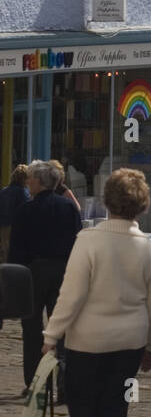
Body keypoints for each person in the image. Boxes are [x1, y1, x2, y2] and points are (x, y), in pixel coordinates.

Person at [40, 169, 151, 417]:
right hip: (130, 345)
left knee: (81, 403)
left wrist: (52, 334)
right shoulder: (148, 249)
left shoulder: (90, 240)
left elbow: (72, 294)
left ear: (107, 201)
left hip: (88, 342)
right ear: (141, 205)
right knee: (115, 410)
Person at [8, 160, 81, 391]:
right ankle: (65, 383)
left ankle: (36, 383)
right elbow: (77, 242)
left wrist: (12, 282)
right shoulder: (68, 208)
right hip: (63, 272)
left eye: (30, 179)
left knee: (31, 331)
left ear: (39, 182)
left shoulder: (25, 211)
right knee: (62, 329)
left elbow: (16, 250)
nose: (28, 183)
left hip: (32, 274)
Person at [0, 164, 29, 265]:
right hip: (16, 227)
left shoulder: (4, 191)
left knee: (5, 251)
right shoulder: (23, 193)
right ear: (24, 178)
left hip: (3, 226)